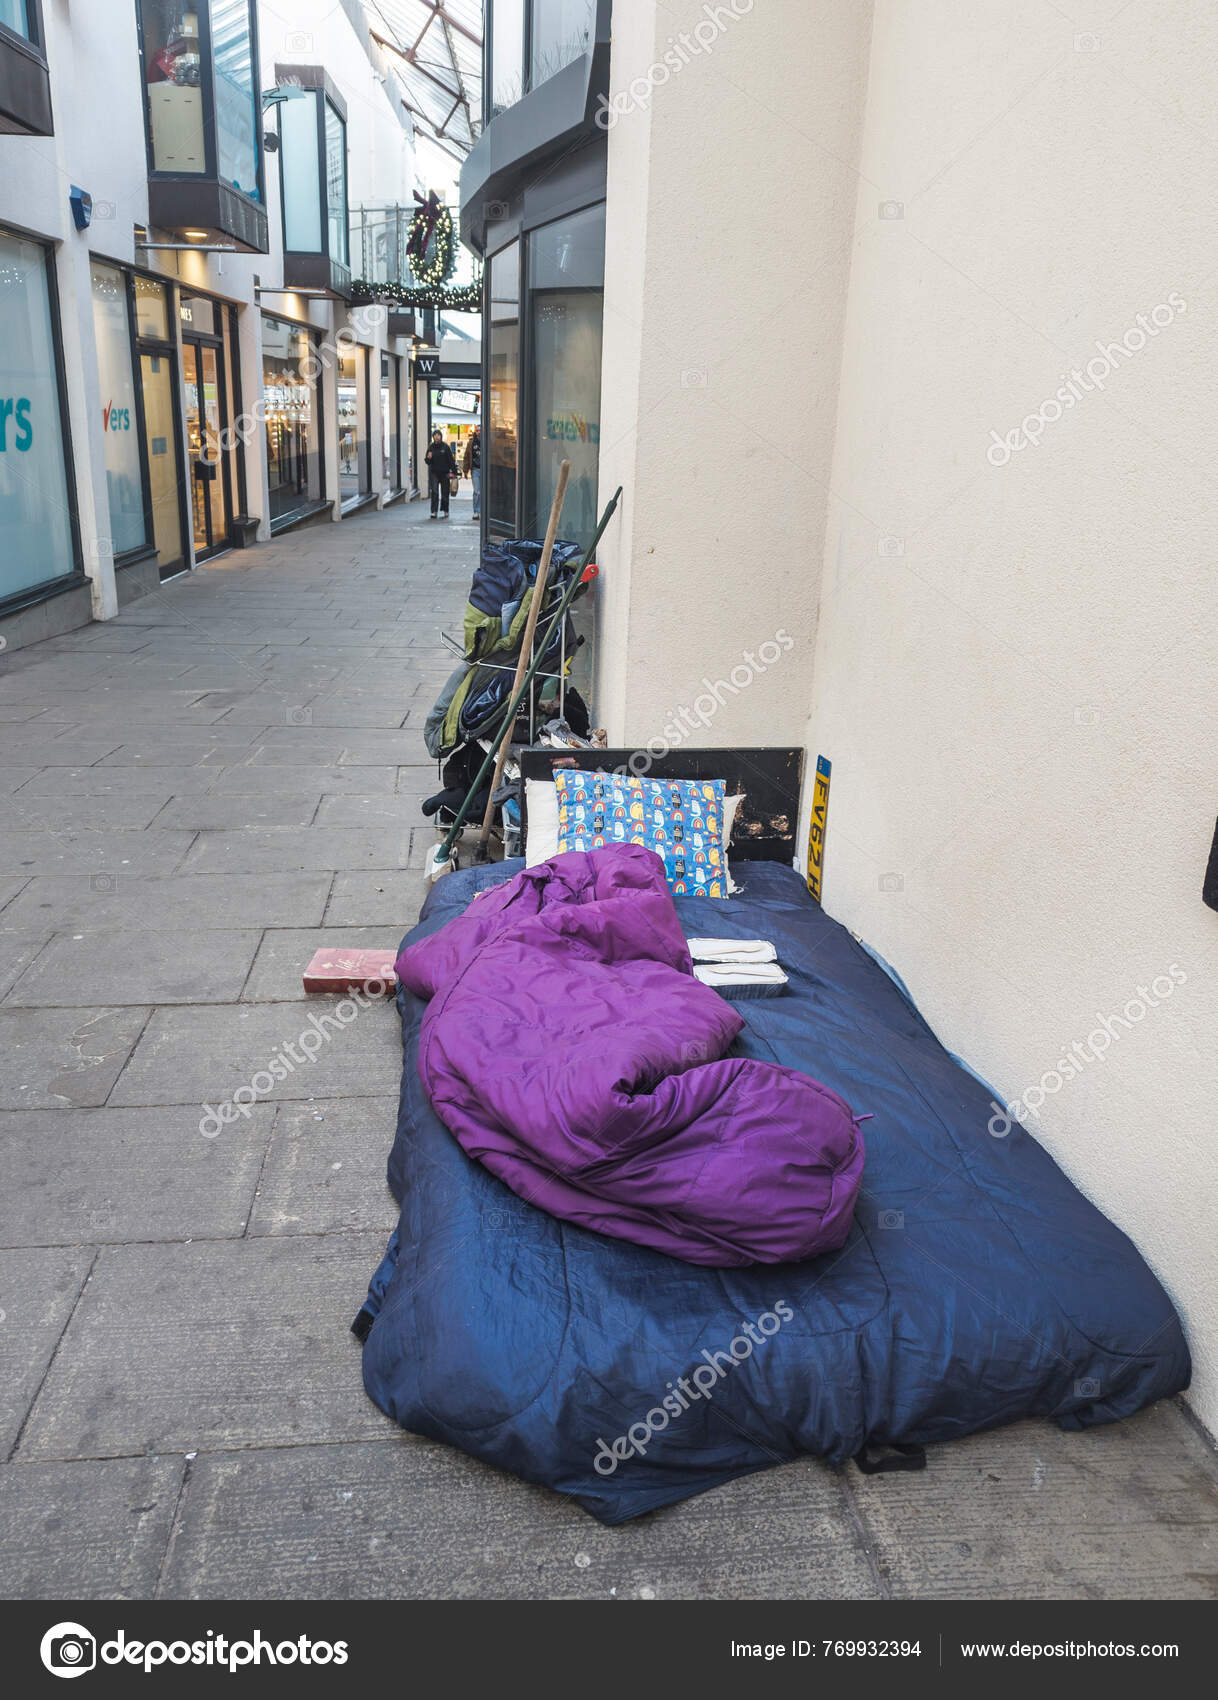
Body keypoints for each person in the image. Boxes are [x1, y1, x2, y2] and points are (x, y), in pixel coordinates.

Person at [425, 429, 457, 518]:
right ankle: (434, 511)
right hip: (434, 473)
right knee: (434, 492)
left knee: (445, 493)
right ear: (433, 437)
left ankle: (445, 510)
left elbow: (451, 460)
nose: (436, 436)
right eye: (435, 435)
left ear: (441, 436)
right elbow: (427, 461)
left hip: (445, 474)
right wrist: (429, 457)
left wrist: (454, 473)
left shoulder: (445, 447)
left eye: (438, 435)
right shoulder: (431, 447)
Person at [462, 426, 481, 521]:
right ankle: (476, 511)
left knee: (484, 492)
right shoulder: (471, 443)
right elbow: (466, 456)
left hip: (485, 470)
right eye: (477, 431)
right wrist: (465, 470)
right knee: (477, 491)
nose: (479, 432)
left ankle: (483, 511)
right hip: (475, 470)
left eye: (480, 430)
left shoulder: (488, 441)